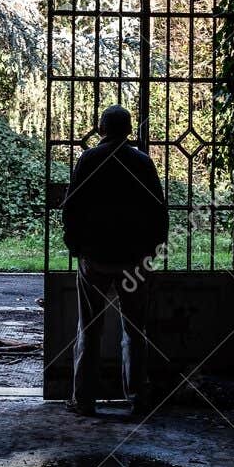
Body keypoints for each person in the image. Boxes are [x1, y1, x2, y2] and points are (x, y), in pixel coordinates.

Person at [61, 104, 168, 416]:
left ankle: (84, 400)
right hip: (134, 259)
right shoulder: (142, 162)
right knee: (135, 330)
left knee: (89, 328)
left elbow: (72, 207)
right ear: (129, 130)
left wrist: (77, 246)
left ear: (101, 128)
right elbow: (158, 210)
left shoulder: (89, 159)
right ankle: (137, 398)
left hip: (95, 257)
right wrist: (152, 248)